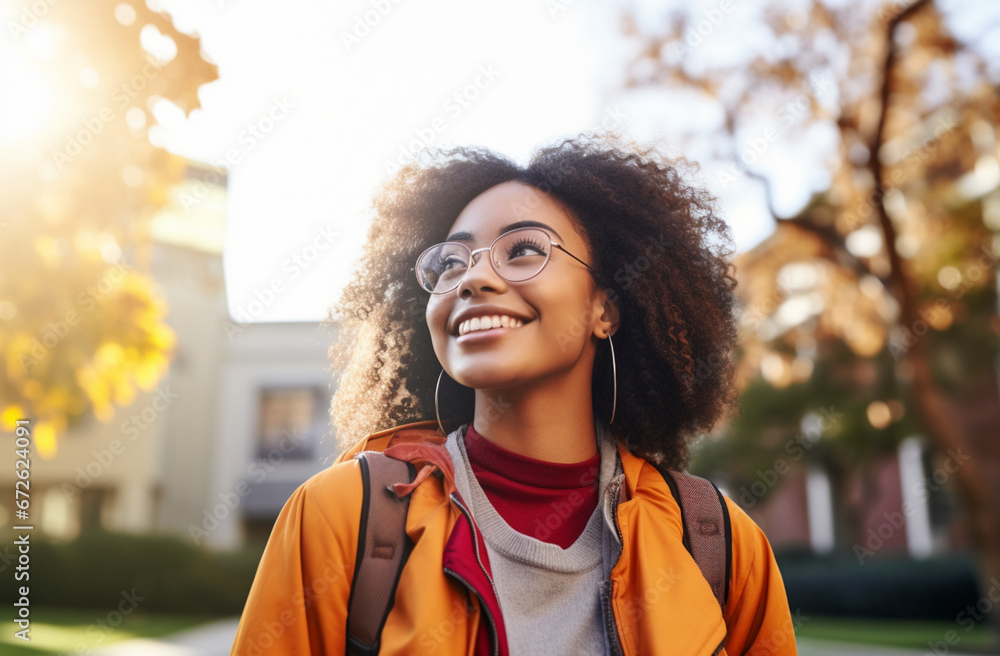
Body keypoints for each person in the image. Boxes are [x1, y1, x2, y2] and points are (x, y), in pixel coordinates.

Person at [229, 132, 798, 655]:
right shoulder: (341, 517)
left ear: (606, 308)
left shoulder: (718, 545)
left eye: (524, 249)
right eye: (451, 262)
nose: (473, 279)